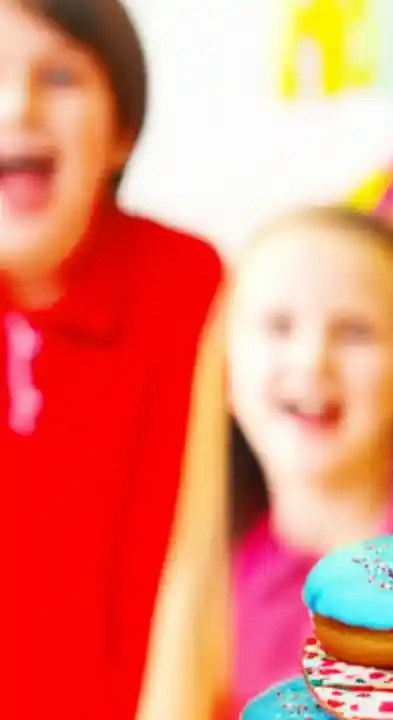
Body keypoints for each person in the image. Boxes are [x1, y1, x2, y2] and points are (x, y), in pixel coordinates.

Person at [0, 1, 226, 717]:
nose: (18, 105)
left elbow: (201, 565)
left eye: (60, 77)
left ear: (121, 132)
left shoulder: (189, 286)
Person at [228, 208, 393, 710]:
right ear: (223, 373)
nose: (311, 360)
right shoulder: (206, 585)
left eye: (355, 332)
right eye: (278, 326)